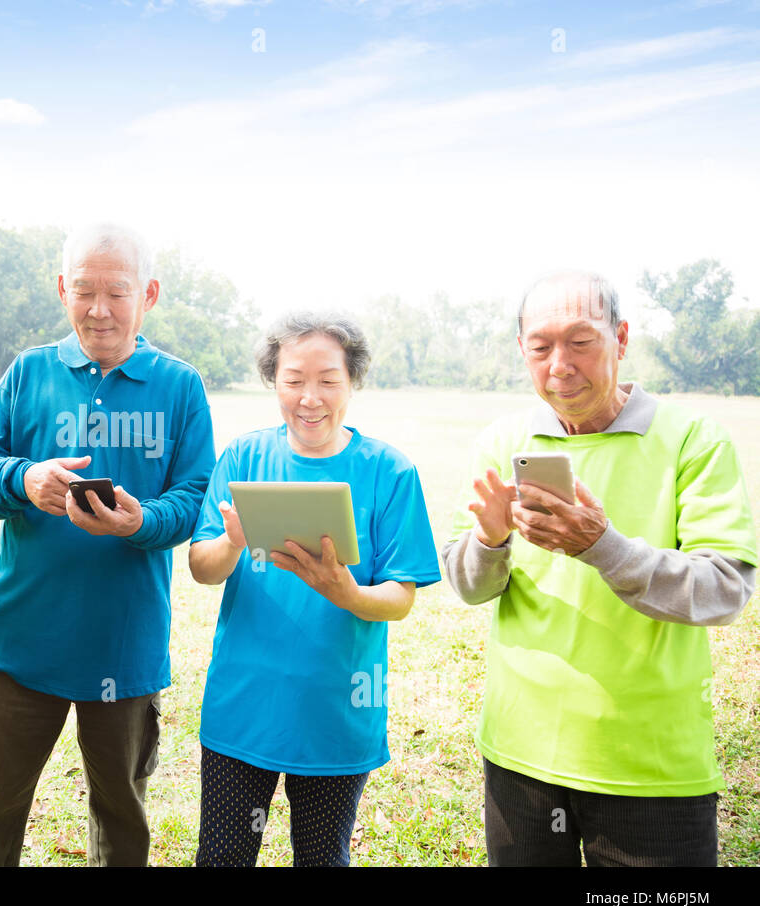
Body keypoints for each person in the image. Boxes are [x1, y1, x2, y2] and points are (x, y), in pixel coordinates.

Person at [443, 270, 757, 866]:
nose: (559, 364)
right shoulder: (505, 440)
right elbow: (468, 586)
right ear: (522, 352)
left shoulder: (693, 440)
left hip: (651, 768)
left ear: (621, 337)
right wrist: (489, 538)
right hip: (520, 756)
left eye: (581, 341)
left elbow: (724, 591)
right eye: (540, 347)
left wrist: (601, 546)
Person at [0, 222, 216, 866]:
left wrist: (140, 522)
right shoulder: (29, 373)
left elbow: (195, 500)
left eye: (117, 292)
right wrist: (25, 477)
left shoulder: (180, 386)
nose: (98, 309)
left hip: (125, 644)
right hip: (23, 641)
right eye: (83, 291)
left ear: (148, 294)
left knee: (121, 814)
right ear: (61, 289)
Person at [188, 312, 441, 866]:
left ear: (352, 382)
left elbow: (400, 597)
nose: (310, 397)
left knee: (323, 858)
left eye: (328, 380)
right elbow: (202, 568)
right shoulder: (243, 458)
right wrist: (232, 543)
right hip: (243, 709)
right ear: (272, 381)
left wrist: (345, 592)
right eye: (293, 379)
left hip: (336, 713)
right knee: (222, 858)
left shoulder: (390, 472)